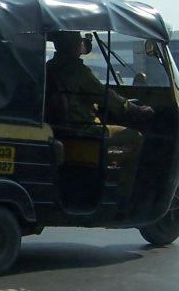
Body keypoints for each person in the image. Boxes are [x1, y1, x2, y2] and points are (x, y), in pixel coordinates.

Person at [45, 30, 153, 204]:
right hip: (84, 130)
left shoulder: (49, 68)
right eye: (79, 40)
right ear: (74, 44)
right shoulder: (78, 71)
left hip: (57, 130)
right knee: (137, 138)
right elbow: (105, 96)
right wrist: (133, 109)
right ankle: (125, 197)